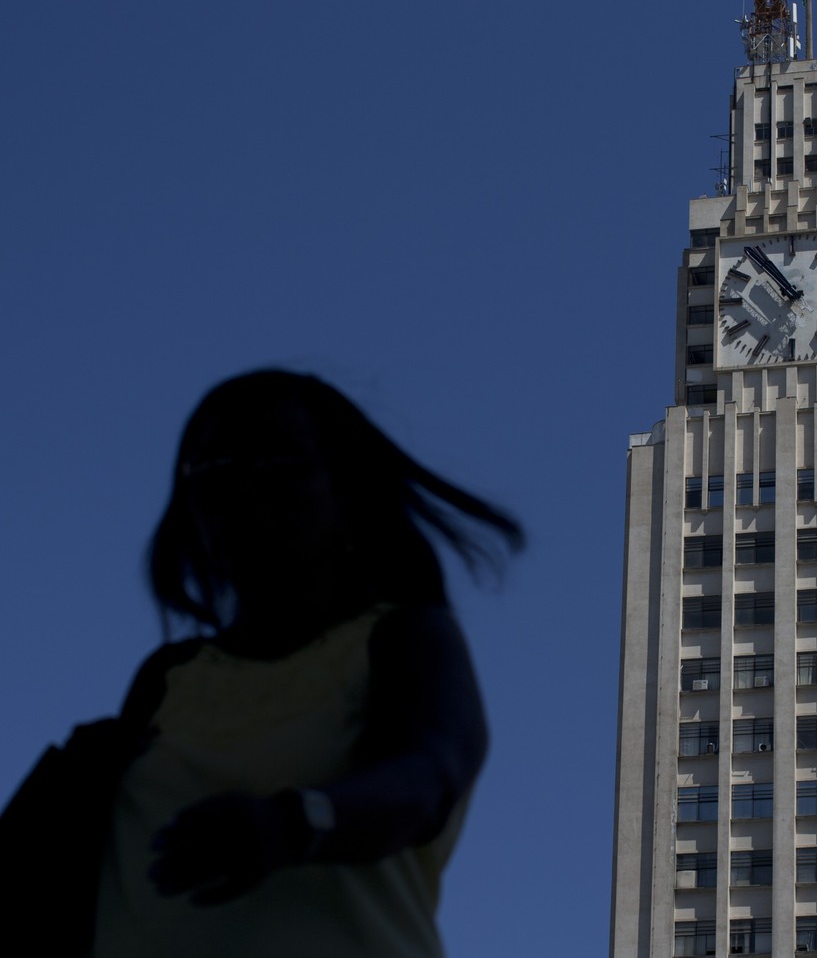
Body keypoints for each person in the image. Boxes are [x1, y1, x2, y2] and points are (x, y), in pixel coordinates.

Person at [94, 369, 523, 957]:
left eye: (275, 467)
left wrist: (294, 825)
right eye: (212, 473)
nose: (242, 493)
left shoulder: (406, 637)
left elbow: (429, 776)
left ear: (349, 492)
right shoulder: (165, 680)